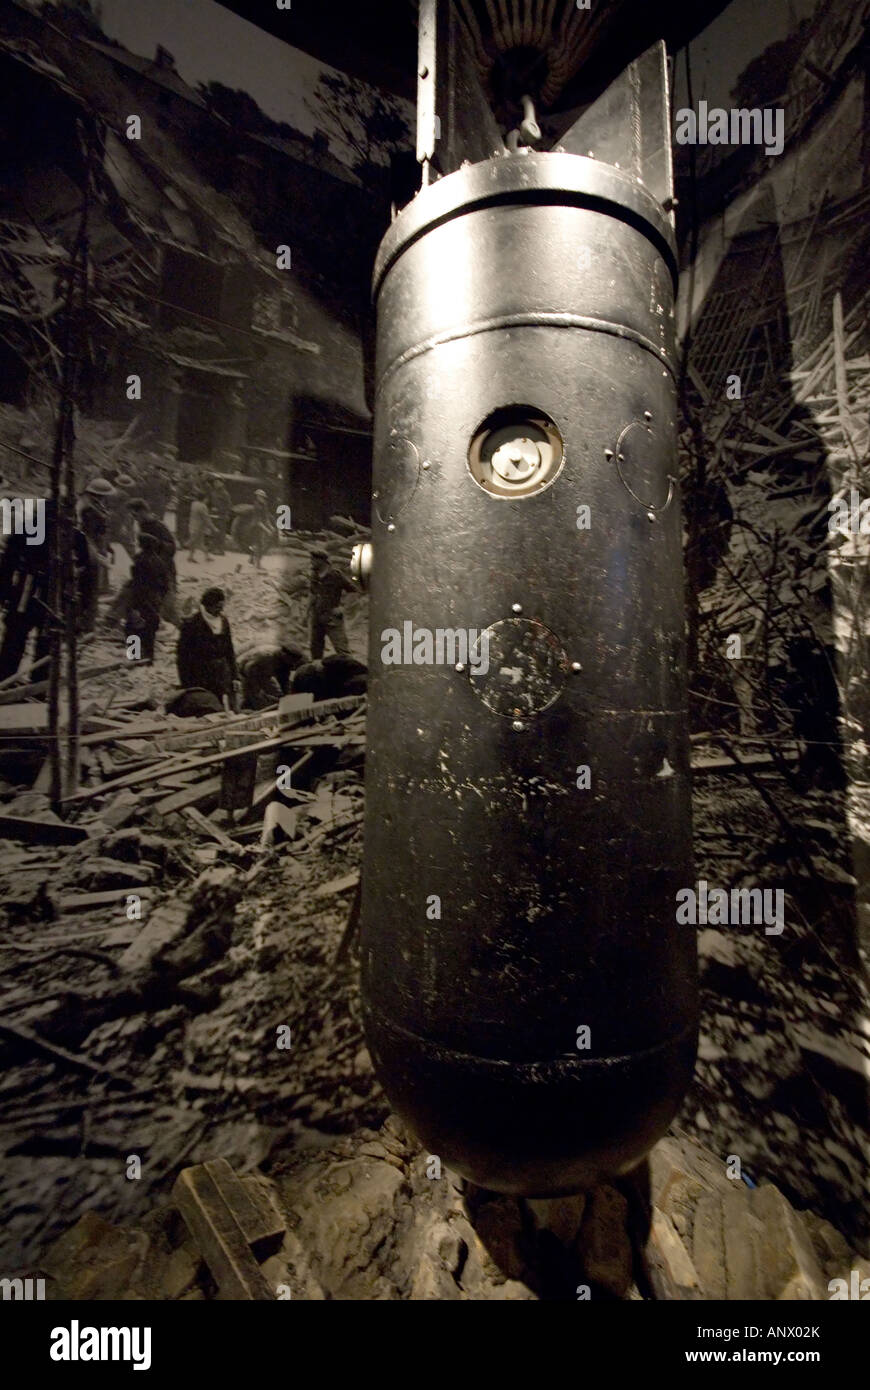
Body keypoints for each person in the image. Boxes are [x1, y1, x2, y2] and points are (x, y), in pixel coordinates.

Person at [176, 587, 239, 709]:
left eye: (222, 606)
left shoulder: (224, 621)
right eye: (217, 607)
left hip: (223, 674)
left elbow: (229, 650)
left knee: (230, 709)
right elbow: (182, 658)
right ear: (207, 606)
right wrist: (187, 686)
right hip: (200, 676)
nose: (220, 610)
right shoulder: (191, 624)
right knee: (207, 709)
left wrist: (235, 676)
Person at [127, 497, 178, 626]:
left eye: (136, 514)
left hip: (163, 568)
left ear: (143, 511)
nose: (135, 518)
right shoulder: (143, 525)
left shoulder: (158, 526)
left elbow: (171, 547)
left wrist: (156, 551)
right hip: (149, 568)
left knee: (167, 603)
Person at [125, 531, 170, 662]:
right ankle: (149, 656)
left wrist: (133, 603)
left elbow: (136, 583)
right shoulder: (159, 562)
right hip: (154, 600)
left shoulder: (140, 560)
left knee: (132, 628)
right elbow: (165, 585)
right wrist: (159, 599)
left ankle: (133, 657)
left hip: (140, 599)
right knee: (150, 628)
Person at [307, 547, 354, 658]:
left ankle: (349, 673)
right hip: (317, 617)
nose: (311, 562)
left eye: (313, 559)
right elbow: (313, 594)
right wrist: (306, 614)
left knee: (342, 649)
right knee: (315, 649)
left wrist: (342, 606)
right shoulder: (314, 575)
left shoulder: (335, 575)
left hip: (332, 618)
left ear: (322, 560)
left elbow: (353, 591)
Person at [239, 642, 305, 709]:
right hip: (246, 672)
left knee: (278, 694)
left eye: (294, 662)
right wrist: (257, 693)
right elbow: (248, 670)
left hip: (265, 674)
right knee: (255, 698)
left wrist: (286, 698)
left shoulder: (286, 662)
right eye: (291, 660)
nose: (293, 664)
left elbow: (284, 681)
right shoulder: (265, 656)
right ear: (284, 654)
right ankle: (246, 708)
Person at [187, 490, 212, 563]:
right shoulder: (203, 506)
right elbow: (206, 518)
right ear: (204, 498)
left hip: (192, 525)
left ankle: (191, 556)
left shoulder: (193, 504)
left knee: (196, 542)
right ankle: (192, 556)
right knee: (199, 543)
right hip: (199, 527)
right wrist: (213, 528)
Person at [208, 476, 231, 556]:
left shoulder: (225, 493)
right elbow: (210, 502)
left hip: (222, 515)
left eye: (217, 482)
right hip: (214, 515)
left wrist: (227, 514)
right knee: (214, 531)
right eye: (215, 482)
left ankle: (221, 550)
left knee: (221, 533)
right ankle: (214, 547)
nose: (216, 484)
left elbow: (228, 505)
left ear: (222, 483)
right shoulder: (213, 492)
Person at [249, 489, 271, 568]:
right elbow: (258, 521)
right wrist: (267, 529)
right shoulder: (257, 506)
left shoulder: (264, 505)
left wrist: (270, 526)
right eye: (260, 497)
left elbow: (266, 517)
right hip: (256, 526)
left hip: (262, 526)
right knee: (259, 545)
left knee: (258, 544)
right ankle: (258, 564)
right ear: (257, 497)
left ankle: (251, 558)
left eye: (263, 497)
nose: (262, 498)